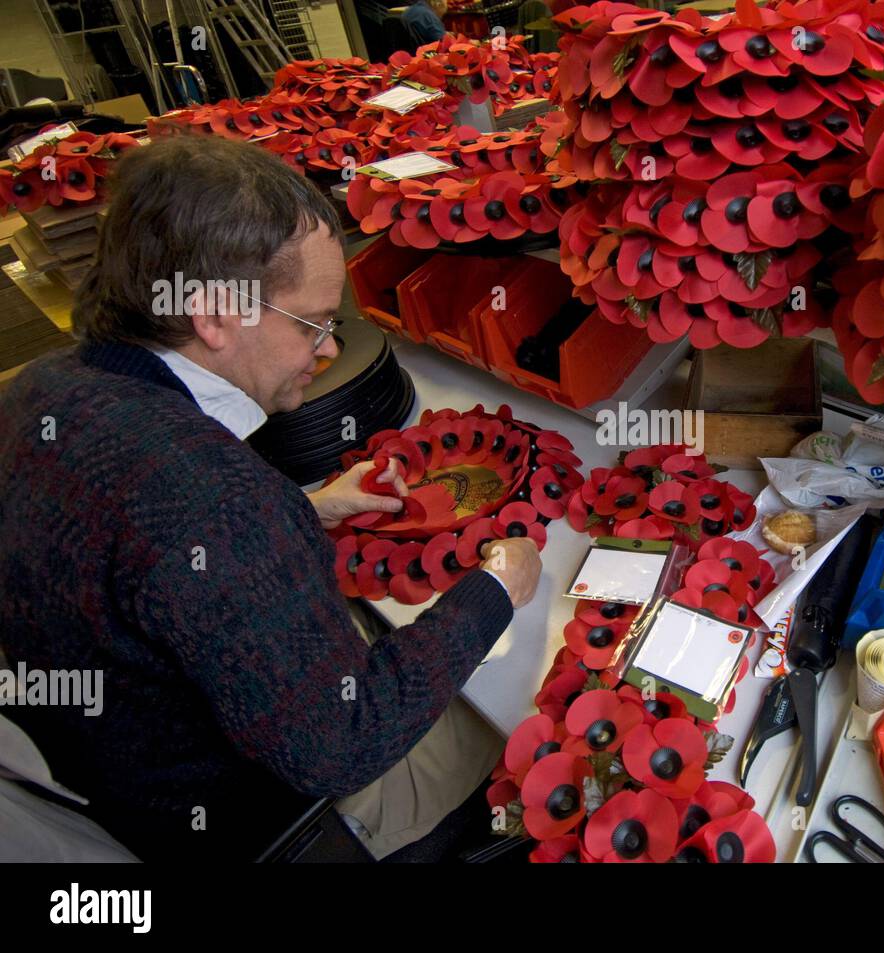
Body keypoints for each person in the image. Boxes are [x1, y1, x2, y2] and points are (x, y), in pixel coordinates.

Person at [0, 135, 541, 861]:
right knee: (516, 710)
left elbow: (139, 547)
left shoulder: (39, 386)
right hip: (262, 811)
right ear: (215, 315)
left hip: (115, 765)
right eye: (313, 323)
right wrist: (496, 589)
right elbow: (344, 743)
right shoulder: (210, 497)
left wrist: (304, 508)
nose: (325, 351)